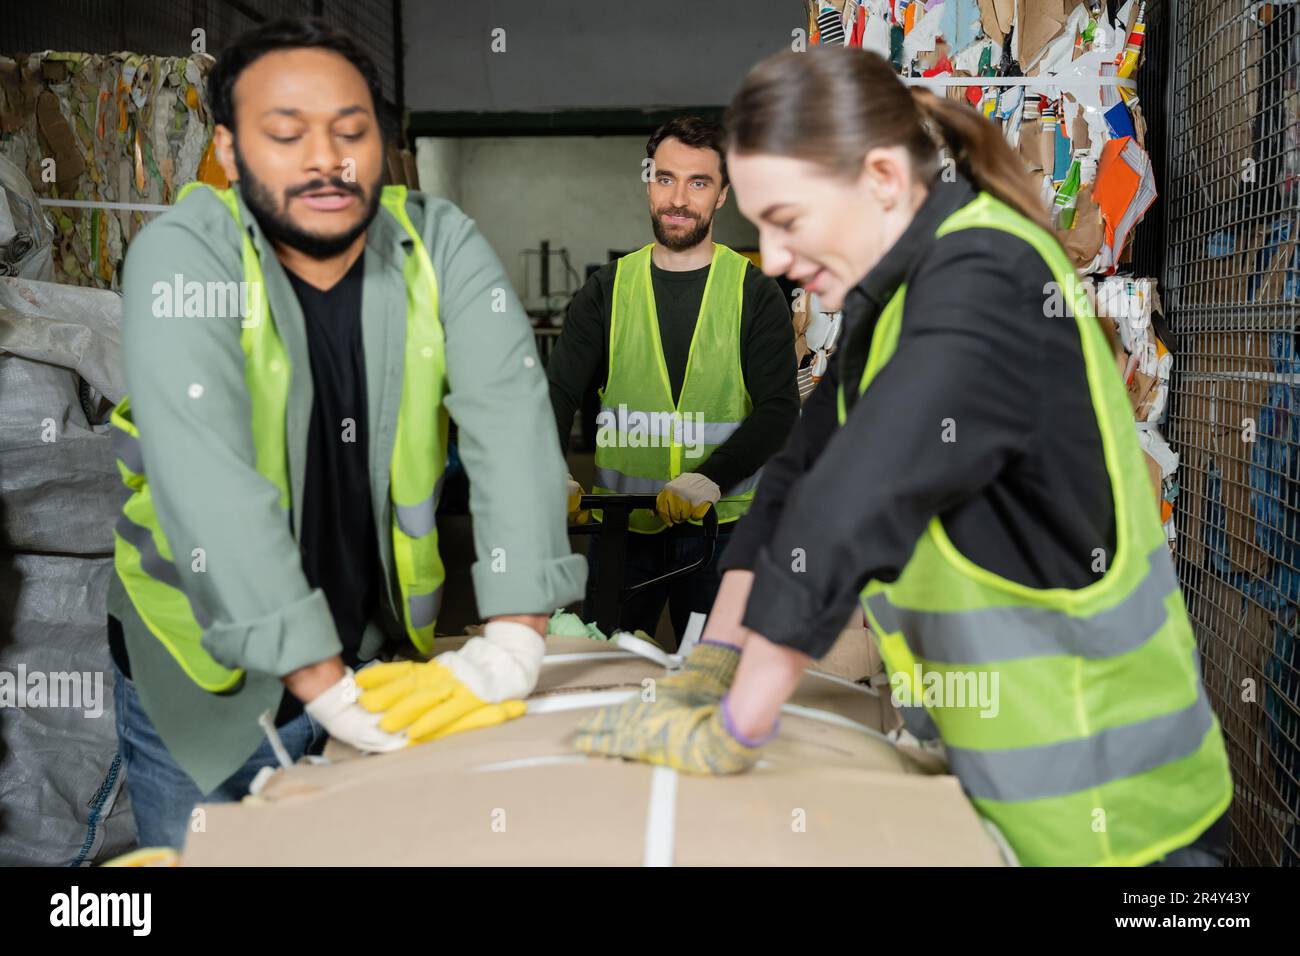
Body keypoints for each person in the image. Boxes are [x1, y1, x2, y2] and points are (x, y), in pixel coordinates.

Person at [574, 47, 1233, 867]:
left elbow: (851, 503)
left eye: (787, 219)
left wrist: (739, 725)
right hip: (1006, 810)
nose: (772, 258)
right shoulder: (892, 304)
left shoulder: (986, 280)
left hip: (1126, 828)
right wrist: (712, 659)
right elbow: (792, 484)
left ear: (882, 179)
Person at [108, 18, 584, 849]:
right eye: (285, 134)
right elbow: (205, 479)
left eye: (351, 131)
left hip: (370, 647)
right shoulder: (185, 257)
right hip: (201, 666)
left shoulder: (438, 243)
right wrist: (318, 684)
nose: (326, 159)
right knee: (209, 856)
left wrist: (515, 632)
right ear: (228, 148)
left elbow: (510, 420)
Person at [548, 116, 799, 643]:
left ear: (723, 194)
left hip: (722, 528)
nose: (678, 198)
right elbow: (555, 393)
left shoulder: (754, 293)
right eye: (665, 179)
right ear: (648, 182)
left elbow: (779, 408)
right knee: (605, 673)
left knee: (714, 682)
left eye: (698, 182)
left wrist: (711, 477)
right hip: (621, 530)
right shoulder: (606, 291)